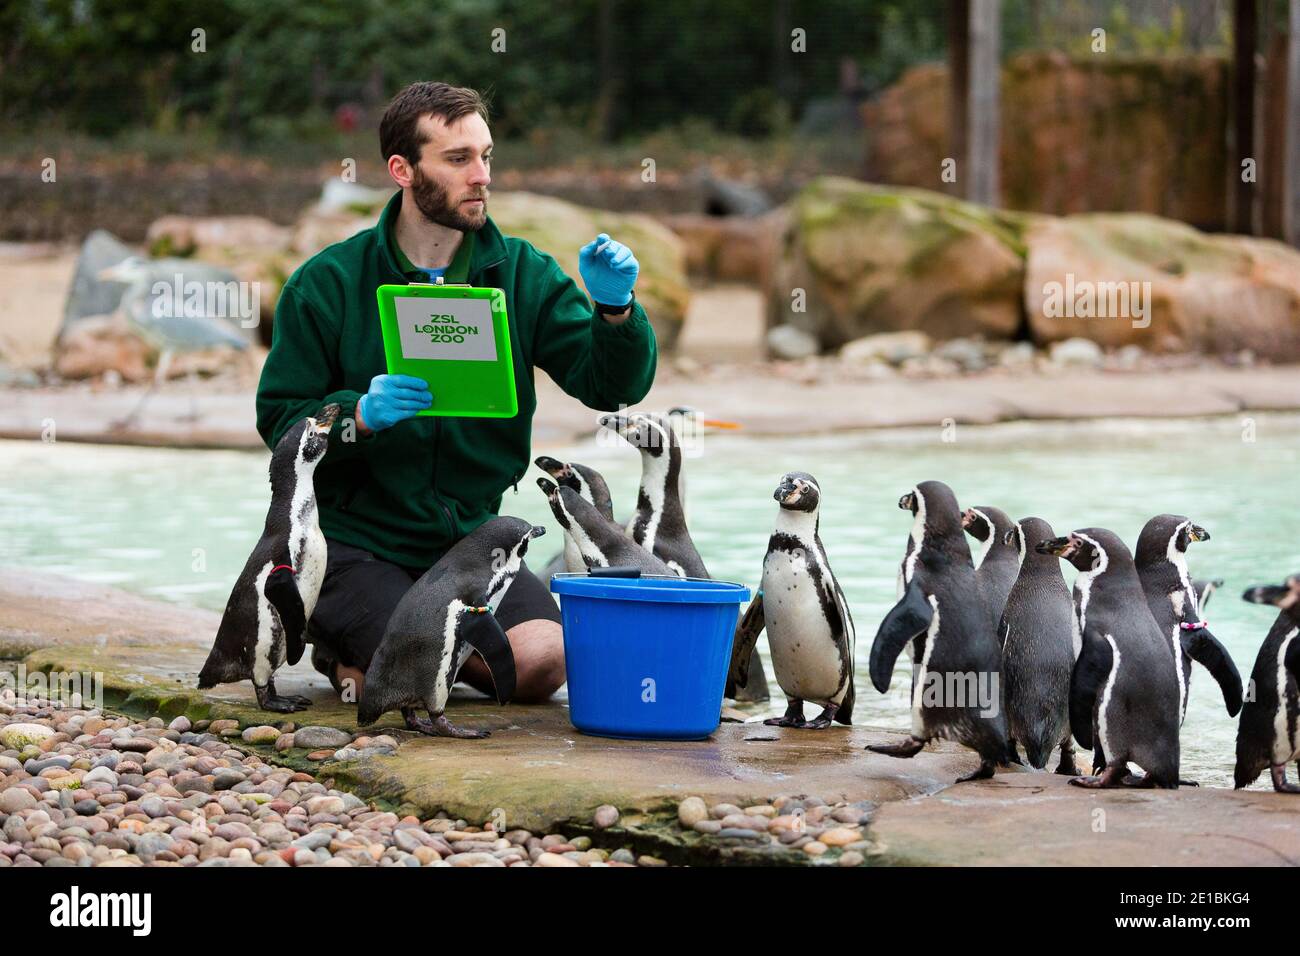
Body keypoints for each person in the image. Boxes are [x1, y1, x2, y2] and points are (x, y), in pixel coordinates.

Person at [255, 81, 657, 704]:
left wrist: (615, 311)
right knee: (424, 662)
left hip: (477, 542)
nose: (481, 176)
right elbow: (279, 421)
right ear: (403, 170)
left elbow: (611, 386)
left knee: (542, 665)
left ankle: (399, 659)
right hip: (360, 546)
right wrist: (354, 416)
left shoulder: (523, 275)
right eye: (458, 159)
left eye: (486, 156)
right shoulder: (327, 283)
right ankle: (357, 647)